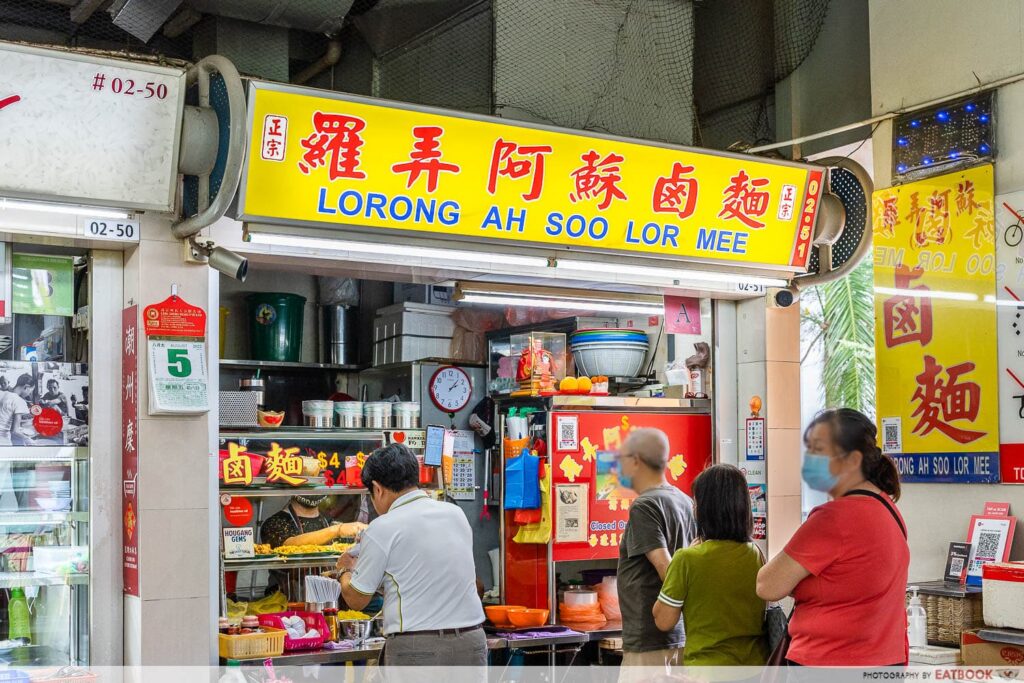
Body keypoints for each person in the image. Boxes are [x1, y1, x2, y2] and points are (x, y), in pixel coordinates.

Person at [756, 408, 909, 667]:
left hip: (828, 661)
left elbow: (767, 585)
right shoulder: (888, 509)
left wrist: (800, 583)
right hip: (886, 660)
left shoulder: (834, 518)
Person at [336, 443, 486, 666]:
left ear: (377, 488)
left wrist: (345, 569)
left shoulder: (382, 527)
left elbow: (357, 599)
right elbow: (421, 575)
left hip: (418, 647)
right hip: (471, 640)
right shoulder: (455, 514)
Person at [653, 464, 768, 666]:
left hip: (707, 669)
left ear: (705, 509)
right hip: (755, 668)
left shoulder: (687, 559)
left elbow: (663, 621)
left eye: (696, 502)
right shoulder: (755, 554)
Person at [616, 428, 697, 676]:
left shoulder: (645, 505)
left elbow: (667, 569)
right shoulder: (684, 500)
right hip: (678, 633)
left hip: (649, 639)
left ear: (636, 461)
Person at [259, 494, 366, 596]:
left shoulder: (329, 521)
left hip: (329, 603)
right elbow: (287, 545)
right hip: (288, 605)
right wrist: (337, 530)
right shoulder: (275, 523)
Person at [0, 374, 35, 446]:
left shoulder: (2, 393)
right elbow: (15, 431)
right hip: (3, 441)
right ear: (26, 387)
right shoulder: (19, 401)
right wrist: (29, 440)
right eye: (30, 391)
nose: (29, 394)